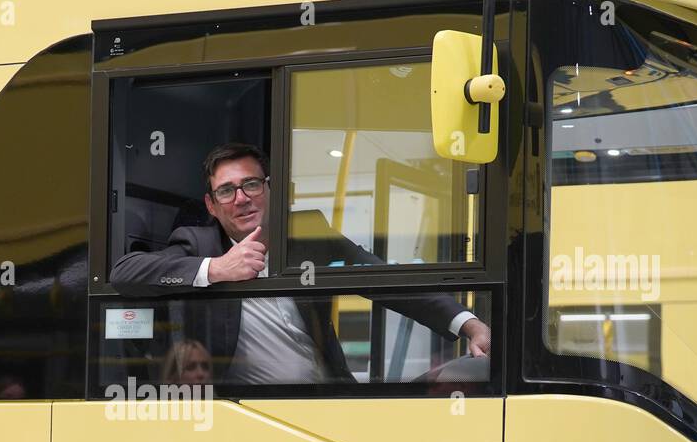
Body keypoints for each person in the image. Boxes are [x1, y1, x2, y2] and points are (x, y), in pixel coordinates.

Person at [109, 142, 491, 384]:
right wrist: (217, 268)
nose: (241, 198)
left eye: (252, 185)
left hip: (332, 399)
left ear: (271, 189)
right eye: (226, 191)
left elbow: (379, 276)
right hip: (254, 419)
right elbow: (125, 273)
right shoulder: (199, 243)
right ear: (211, 205)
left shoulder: (308, 233)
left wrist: (468, 324)